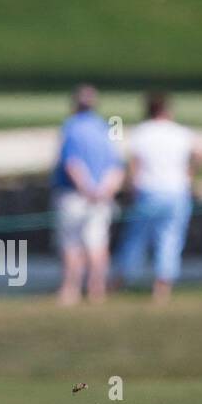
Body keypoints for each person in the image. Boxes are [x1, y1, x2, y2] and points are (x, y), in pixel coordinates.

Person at [114, 92, 202, 304]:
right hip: (176, 191)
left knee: (136, 238)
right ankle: (162, 288)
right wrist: (189, 173)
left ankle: (120, 280)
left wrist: (131, 188)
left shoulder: (142, 133)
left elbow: (134, 165)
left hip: (149, 191)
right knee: (170, 239)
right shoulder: (180, 133)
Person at [52, 85, 123, 306]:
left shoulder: (71, 127)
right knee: (97, 243)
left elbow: (72, 163)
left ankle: (71, 290)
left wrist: (87, 189)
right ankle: (96, 289)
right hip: (101, 194)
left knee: (72, 244)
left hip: (75, 194)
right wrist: (106, 190)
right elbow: (116, 165)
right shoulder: (108, 127)